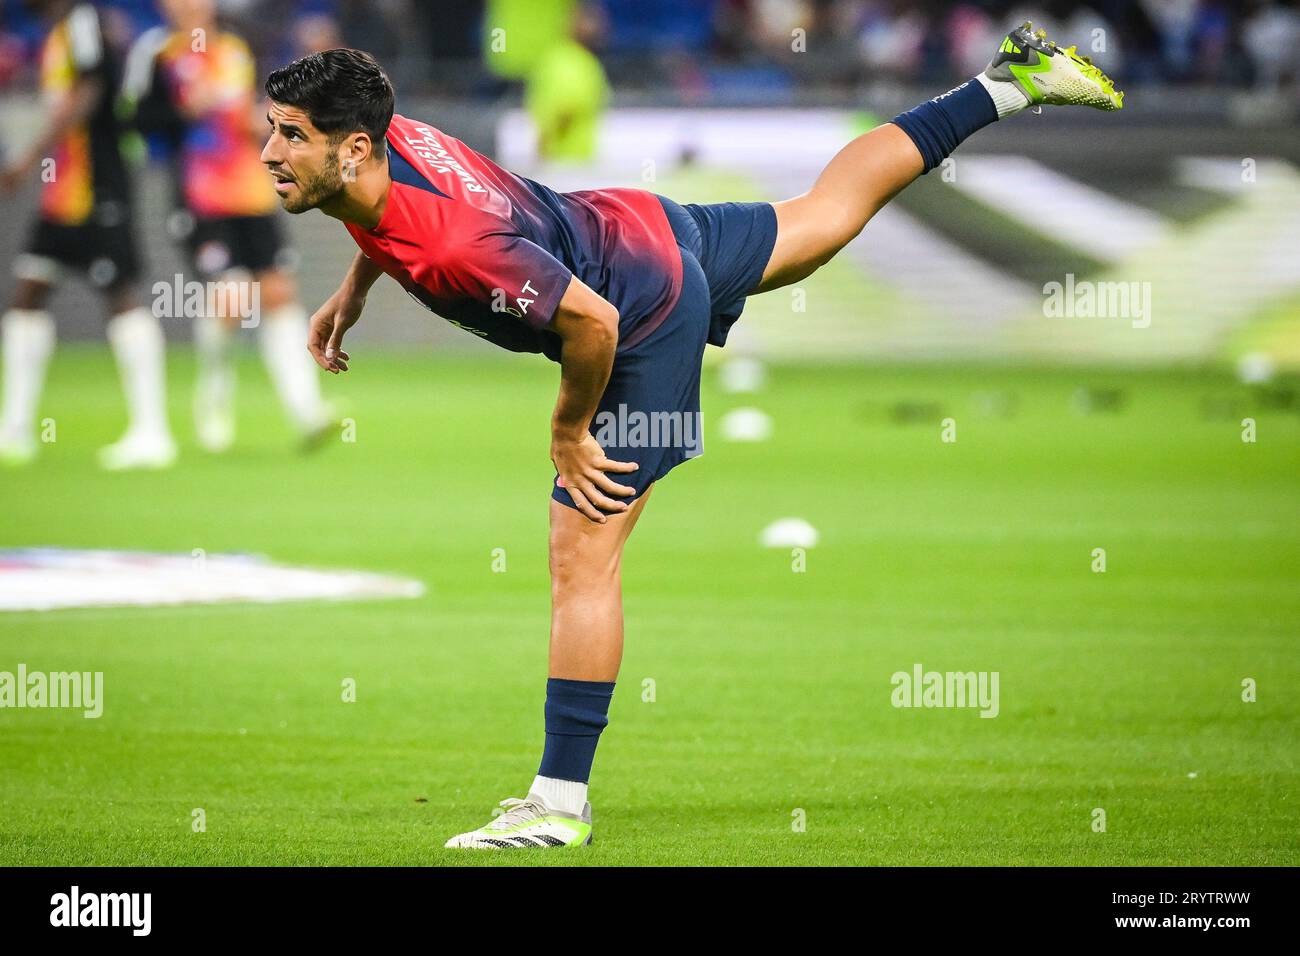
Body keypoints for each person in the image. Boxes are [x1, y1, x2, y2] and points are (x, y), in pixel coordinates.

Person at [260, 23, 1122, 848]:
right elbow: (383, 213)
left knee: (579, 556)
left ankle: (558, 806)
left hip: (640, 310)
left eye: (291, 136)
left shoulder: (459, 247)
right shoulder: (386, 135)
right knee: (821, 218)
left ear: (357, 146)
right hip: (638, 222)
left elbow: (590, 324)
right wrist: (357, 292)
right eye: (273, 131)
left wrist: (568, 431)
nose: (270, 154)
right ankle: (1004, 85)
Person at [123, 0, 333, 452]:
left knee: (277, 293)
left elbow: (268, 107)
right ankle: (213, 397)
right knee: (232, 296)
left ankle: (306, 409)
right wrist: (182, 111)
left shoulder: (243, 46)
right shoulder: (157, 54)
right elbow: (136, 120)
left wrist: (267, 122)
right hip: (199, 195)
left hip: (251, 191)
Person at [0, 0, 174, 470]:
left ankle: (152, 430)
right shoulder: (61, 30)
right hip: (63, 195)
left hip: (98, 187)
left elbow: (92, 86)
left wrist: (30, 154)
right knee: (28, 295)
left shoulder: (81, 22)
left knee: (120, 294)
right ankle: (14, 429)